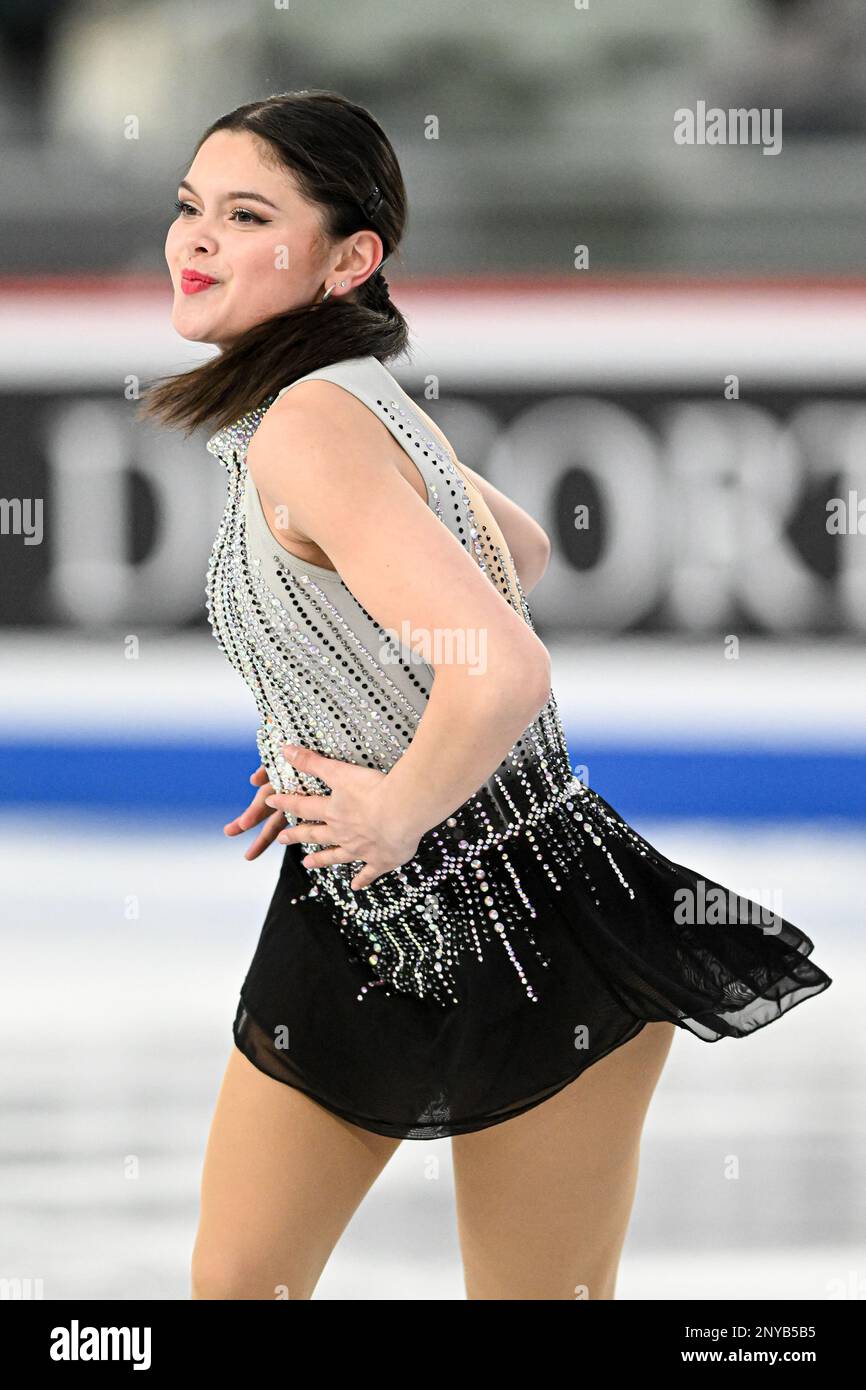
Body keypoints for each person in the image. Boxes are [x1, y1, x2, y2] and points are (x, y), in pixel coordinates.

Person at [141, 89, 832, 1301]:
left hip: (528, 929)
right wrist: (343, 718)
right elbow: (514, 552)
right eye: (190, 206)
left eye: (245, 215)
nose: (195, 239)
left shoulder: (312, 421)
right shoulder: (331, 404)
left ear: (349, 259)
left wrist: (394, 805)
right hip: (356, 917)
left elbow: (502, 663)